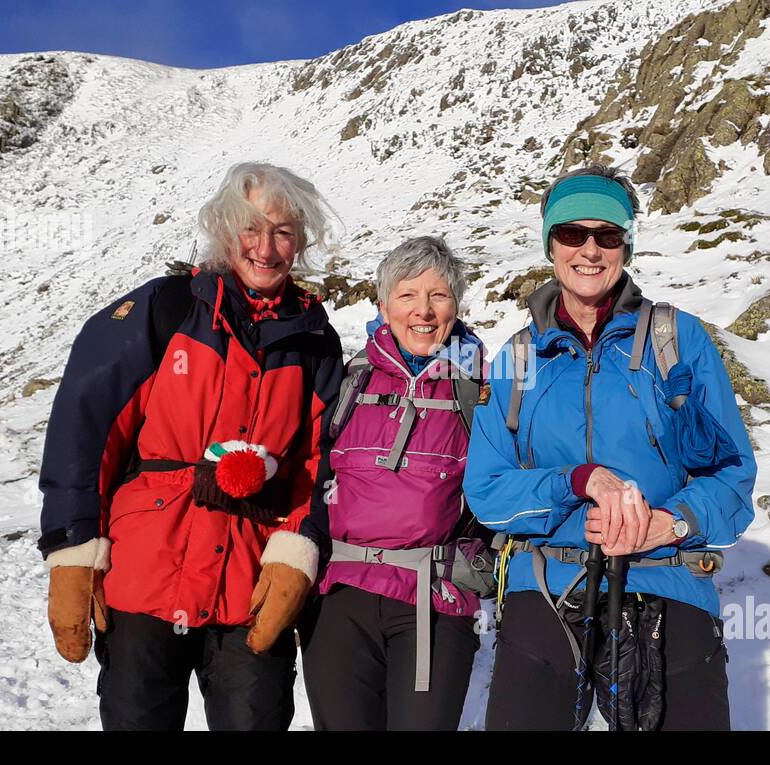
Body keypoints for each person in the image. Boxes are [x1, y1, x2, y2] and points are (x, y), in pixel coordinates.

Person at [37, 161, 343, 731]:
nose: (266, 247)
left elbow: (320, 464)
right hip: (143, 577)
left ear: (299, 241)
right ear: (226, 230)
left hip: (247, 588)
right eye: (252, 227)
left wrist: (295, 551)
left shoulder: (315, 341)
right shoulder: (165, 309)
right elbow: (87, 431)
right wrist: (73, 549)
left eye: (282, 232)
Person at [463, 164, 757, 731]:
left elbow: (732, 476)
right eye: (573, 234)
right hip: (547, 585)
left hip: (665, 577)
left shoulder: (678, 340)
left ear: (628, 244)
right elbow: (487, 490)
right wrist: (576, 480)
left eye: (608, 235)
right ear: (550, 244)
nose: (590, 250)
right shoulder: (519, 359)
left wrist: (670, 522)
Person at [298, 236, 494, 731]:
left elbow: (506, 484)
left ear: (457, 304)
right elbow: (307, 470)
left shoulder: (485, 390)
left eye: (439, 295)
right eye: (407, 295)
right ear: (384, 305)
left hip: (434, 597)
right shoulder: (349, 381)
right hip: (340, 596)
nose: (423, 312)